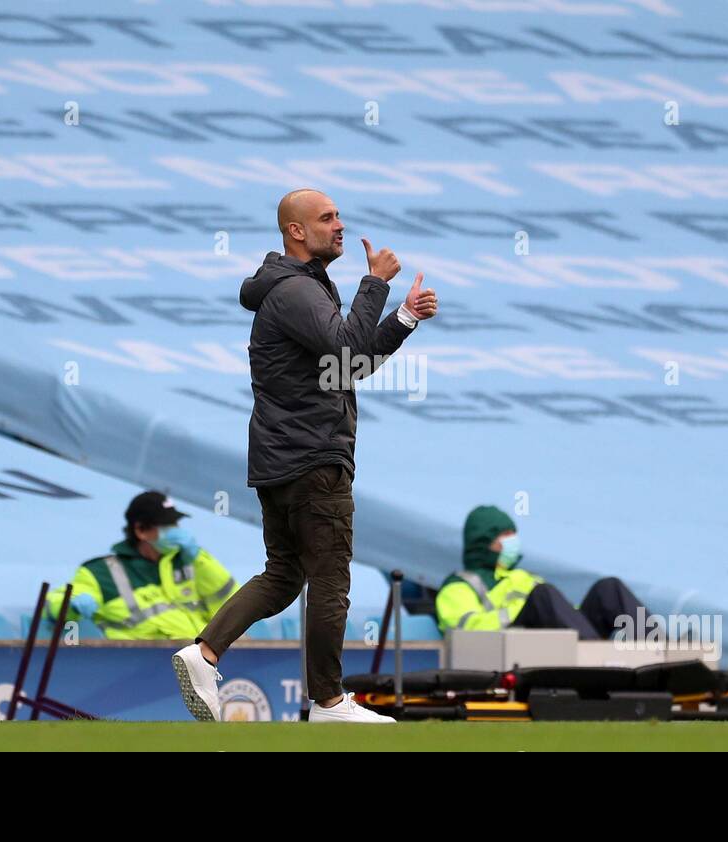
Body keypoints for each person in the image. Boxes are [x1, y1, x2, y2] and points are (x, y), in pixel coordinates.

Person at [171, 188, 437, 723]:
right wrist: (377, 283)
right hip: (312, 458)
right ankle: (329, 701)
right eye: (327, 218)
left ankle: (204, 653)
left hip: (282, 457)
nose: (340, 225)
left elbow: (347, 367)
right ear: (296, 231)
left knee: (285, 575)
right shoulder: (297, 291)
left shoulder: (300, 290)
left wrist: (403, 318)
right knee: (331, 577)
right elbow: (345, 351)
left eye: (338, 215)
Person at [436, 505, 648, 640]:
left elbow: (561, 614)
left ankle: (661, 656)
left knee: (608, 589)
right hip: (515, 650)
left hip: (557, 642)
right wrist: (522, 611)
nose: (513, 541)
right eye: (505, 535)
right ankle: (595, 661)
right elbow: (465, 631)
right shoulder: (459, 586)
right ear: (484, 541)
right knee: (542, 596)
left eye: (513, 534)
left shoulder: (523, 577)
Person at [47, 491, 238, 640]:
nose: (174, 531)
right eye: (165, 526)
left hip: (204, 660)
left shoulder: (189, 560)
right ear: (140, 530)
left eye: (175, 524)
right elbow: (55, 603)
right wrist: (72, 606)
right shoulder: (102, 573)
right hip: (145, 667)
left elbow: (234, 604)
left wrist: (199, 559)